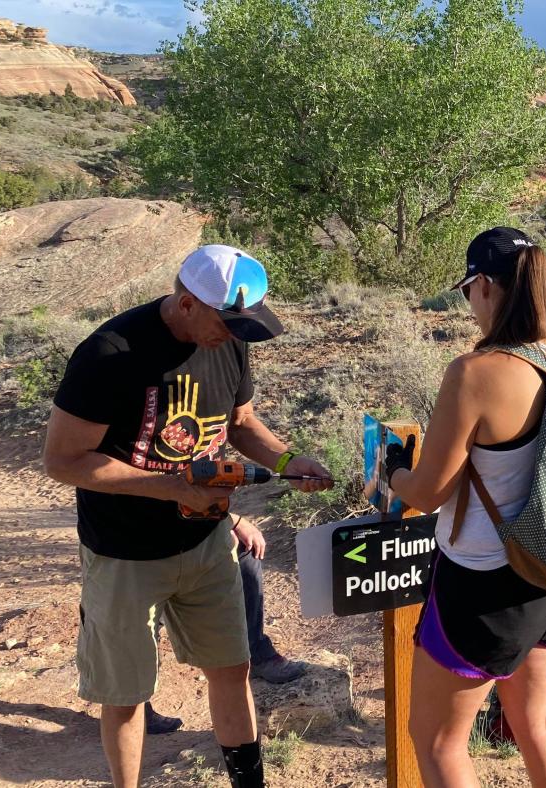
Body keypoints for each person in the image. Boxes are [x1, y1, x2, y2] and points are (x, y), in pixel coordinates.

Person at [42, 245, 333, 788]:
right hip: (125, 553)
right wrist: (171, 487)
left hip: (206, 544)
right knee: (126, 693)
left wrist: (287, 460)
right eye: (228, 324)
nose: (236, 336)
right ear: (186, 304)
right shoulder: (109, 353)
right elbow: (63, 460)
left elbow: (240, 423)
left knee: (232, 669)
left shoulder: (228, 341)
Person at [384, 227, 546, 788]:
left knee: (438, 742)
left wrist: (392, 471)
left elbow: (429, 492)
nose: (470, 300)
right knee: (537, 723)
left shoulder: (475, 373)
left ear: (486, 286)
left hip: (483, 584)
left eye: (469, 288)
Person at [143, 518, 308, 736]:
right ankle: (136, 701)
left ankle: (255, 653)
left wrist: (233, 520)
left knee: (244, 547)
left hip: (189, 533)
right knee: (138, 623)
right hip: (133, 548)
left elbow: (195, 499)